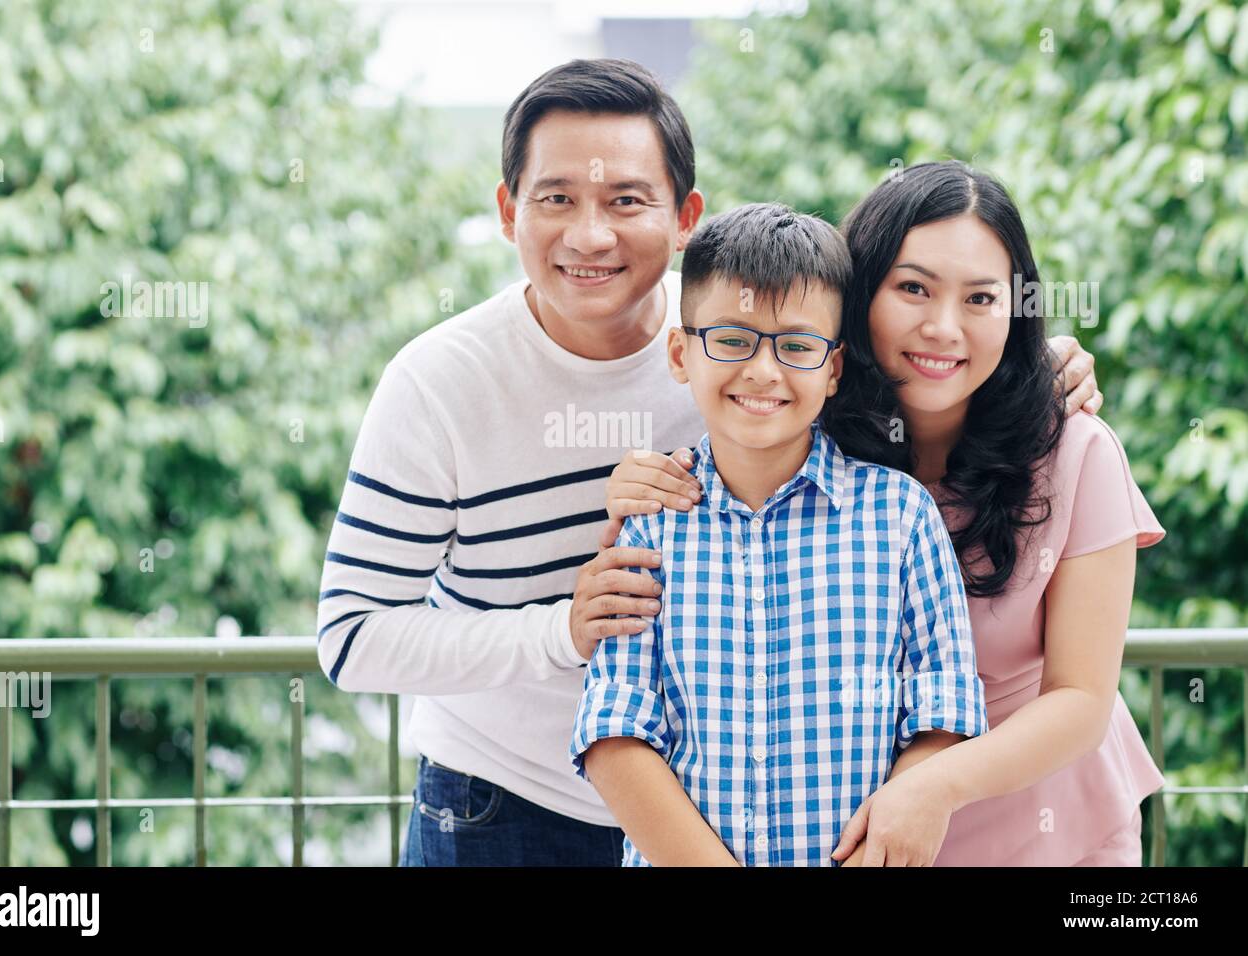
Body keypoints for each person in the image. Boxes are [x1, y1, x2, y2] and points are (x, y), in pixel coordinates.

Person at [318, 56, 1101, 867]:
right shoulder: (438, 383)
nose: (591, 235)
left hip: (756, 822)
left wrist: (1034, 366)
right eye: (556, 198)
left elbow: (883, 347)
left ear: (685, 215)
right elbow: (350, 638)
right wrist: (562, 630)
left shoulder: (740, 321)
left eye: (627, 200)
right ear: (509, 210)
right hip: (500, 804)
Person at [602, 162, 1162, 866]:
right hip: (861, 835)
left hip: (1044, 820)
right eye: (913, 288)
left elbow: (1081, 698)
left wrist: (933, 788)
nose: (943, 328)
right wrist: (632, 493)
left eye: (981, 298)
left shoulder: (1074, 450)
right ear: (860, 295)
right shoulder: (801, 422)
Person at [570, 202, 988, 866]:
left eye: (796, 346)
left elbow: (944, 711)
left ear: (834, 369)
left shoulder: (901, 517)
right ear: (681, 353)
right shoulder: (650, 521)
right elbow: (614, 734)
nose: (764, 371)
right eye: (733, 339)